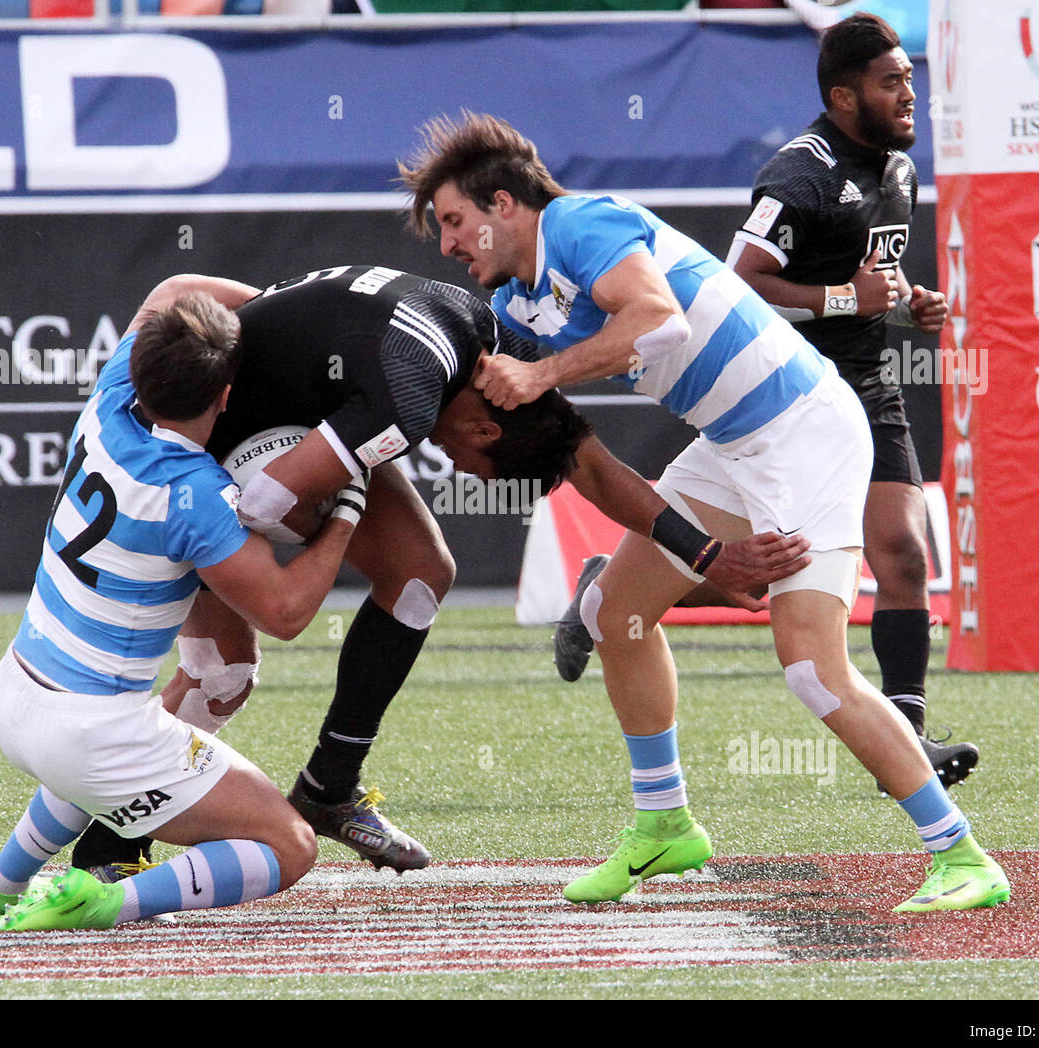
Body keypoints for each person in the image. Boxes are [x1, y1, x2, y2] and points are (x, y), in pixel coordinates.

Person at [398, 112, 1009, 912]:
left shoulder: (579, 222)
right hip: (732, 440)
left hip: (802, 431)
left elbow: (659, 319)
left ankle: (962, 853)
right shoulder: (518, 298)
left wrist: (542, 378)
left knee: (812, 671)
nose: (447, 243)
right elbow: (567, 432)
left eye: (454, 220)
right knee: (614, 611)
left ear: (506, 204)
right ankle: (665, 827)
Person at [69, 263, 807, 881]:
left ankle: (329, 786)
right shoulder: (413, 393)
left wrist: (705, 552)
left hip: (294, 411)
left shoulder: (496, 353)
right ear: (483, 425)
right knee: (223, 673)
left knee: (422, 572)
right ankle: (111, 839)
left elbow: (592, 463)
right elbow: (269, 496)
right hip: (214, 444)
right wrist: (346, 495)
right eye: (474, 465)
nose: (457, 469)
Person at [0, 276, 365, 932]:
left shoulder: (111, 394)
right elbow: (286, 612)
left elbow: (173, 286)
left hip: (16, 692)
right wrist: (348, 505)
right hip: (93, 731)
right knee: (291, 845)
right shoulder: (193, 495)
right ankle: (107, 899)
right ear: (227, 396)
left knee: (88, 762)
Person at [726, 12, 977, 790]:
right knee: (750, 571)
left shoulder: (897, 168)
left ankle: (906, 737)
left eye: (910, 79)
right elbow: (739, 284)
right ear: (843, 96)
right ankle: (609, 582)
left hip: (866, 383)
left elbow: (873, 283)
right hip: (789, 392)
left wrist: (909, 303)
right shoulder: (799, 171)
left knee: (902, 552)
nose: (910, 95)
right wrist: (845, 296)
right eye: (891, 82)